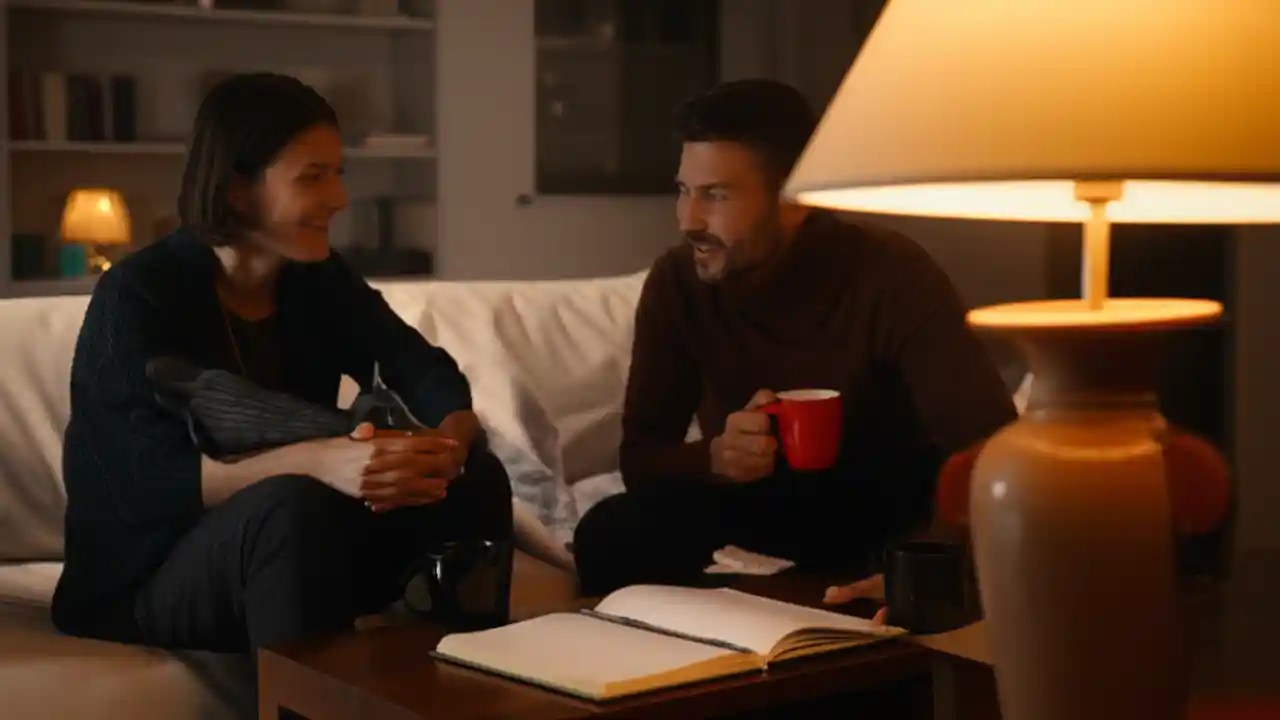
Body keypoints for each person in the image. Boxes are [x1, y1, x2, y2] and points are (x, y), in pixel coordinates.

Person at [52, 73, 512, 651]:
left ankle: (474, 677)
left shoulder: (315, 278)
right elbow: (144, 482)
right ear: (238, 190)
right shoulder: (139, 295)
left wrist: (445, 449)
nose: (339, 198)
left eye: (338, 173)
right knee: (290, 505)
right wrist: (318, 461)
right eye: (312, 177)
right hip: (150, 574)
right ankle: (312, 696)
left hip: (296, 541)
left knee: (477, 482)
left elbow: (419, 367)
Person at [572, 79, 1016, 596]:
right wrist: (716, 457)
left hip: (883, 509)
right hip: (761, 506)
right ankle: (775, 599)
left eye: (716, 195)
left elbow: (989, 450)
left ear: (793, 200)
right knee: (609, 533)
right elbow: (641, 457)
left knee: (944, 544)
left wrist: (924, 566)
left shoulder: (892, 274)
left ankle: (842, 594)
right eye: (684, 191)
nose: (688, 220)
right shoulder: (678, 282)